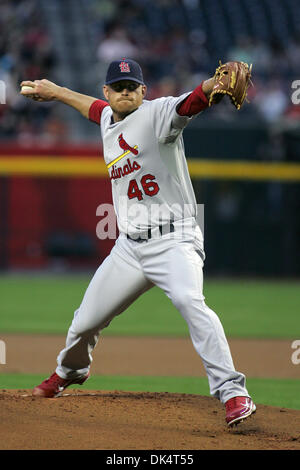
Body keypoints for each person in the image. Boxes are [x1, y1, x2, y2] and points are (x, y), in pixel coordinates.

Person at [20, 58, 256, 426]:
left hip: (174, 239)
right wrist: (56, 92)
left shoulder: (158, 114)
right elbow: (93, 108)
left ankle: (233, 391)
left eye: (132, 87)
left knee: (190, 301)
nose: (125, 92)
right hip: (129, 247)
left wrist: (212, 84)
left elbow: (191, 102)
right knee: (84, 322)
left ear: (143, 92)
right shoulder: (106, 118)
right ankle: (70, 371)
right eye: (118, 87)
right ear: (108, 91)